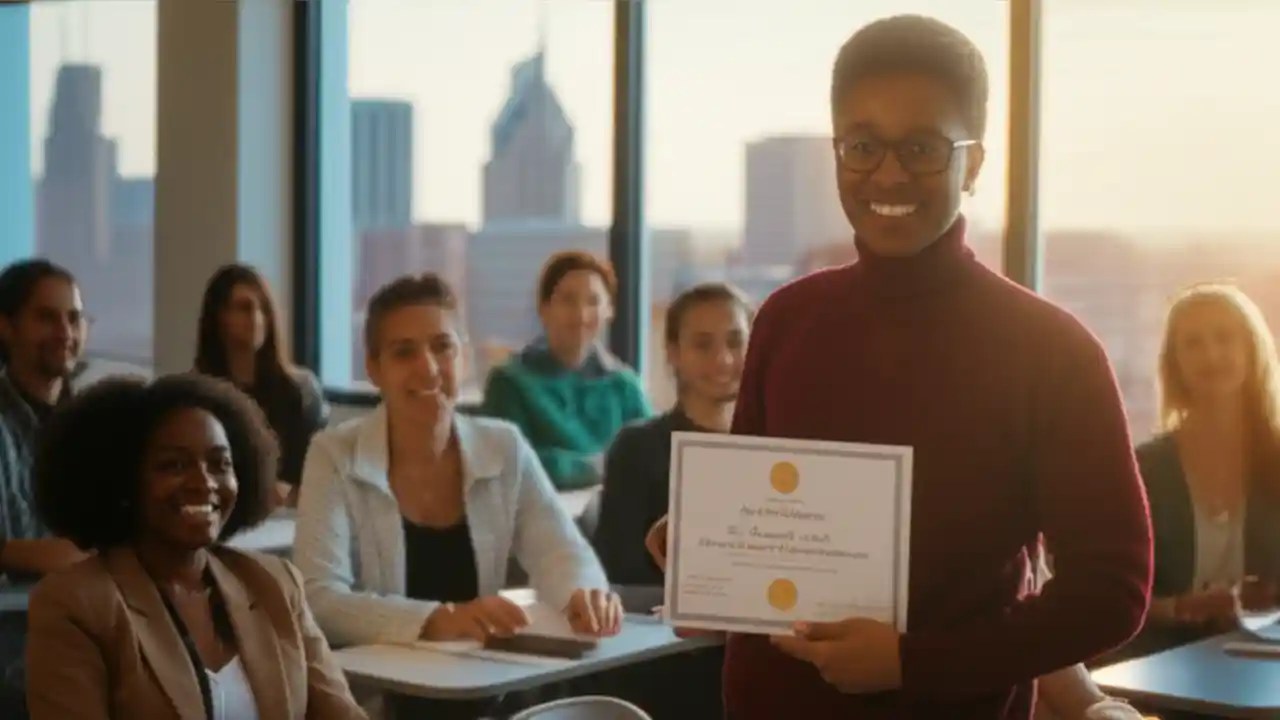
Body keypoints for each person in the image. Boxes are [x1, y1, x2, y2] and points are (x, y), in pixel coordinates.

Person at [646, 15, 1151, 718]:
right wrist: (709, 547)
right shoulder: (787, 320)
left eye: (921, 147)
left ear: (972, 162)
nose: (887, 173)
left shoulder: (1052, 352)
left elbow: (1113, 591)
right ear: (836, 153)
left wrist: (914, 664)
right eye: (862, 146)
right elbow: (769, 515)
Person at [294, 274, 621, 718]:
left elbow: (561, 552)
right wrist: (437, 619)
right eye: (404, 352)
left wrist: (584, 595)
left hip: (484, 698)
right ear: (374, 368)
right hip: (371, 706)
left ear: (463, 357)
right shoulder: (334, 454)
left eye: (442, 346)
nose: (428, 367)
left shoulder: (503, 446)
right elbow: (318, 598)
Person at [24, 374, 366, 719]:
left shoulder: (275, 584)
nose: (204, 483)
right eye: (174, 465)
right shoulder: (75, 605)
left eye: (220, 464)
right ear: (125, 481)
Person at [1130, 283, 1280, 657]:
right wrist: (1178, 609)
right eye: (1193, 344)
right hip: (1161, 664)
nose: (1210, 354)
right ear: (1174, 363)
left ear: (1251, 350)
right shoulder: (1143, 468)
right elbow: (1109, 591)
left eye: (1224, 338)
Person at [594, 282, 753, 586]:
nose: (723, 359)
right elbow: (620, 572)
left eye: (735, 341)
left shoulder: (776, 449)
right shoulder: (636, 449)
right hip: (664, 625)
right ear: (673, 353)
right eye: (703, 344)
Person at [0, 259, 92, 718]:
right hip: (15, 632)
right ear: (6, 327)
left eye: (73, 318)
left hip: (94, 618)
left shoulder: (98, 424)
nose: (64, 331)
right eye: (46, 317)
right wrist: (46, 555)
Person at [482, 251, 651, 491]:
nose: (581, 315)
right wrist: (600, 467)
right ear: (544, 308)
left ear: (610, 311)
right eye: (568, 300)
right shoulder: (509, 382)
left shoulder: (625, 386)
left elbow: (653, 458)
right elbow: (509, 463)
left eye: (593, 301)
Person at [195, 263, 328, 506]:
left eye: (263, 309)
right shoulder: (198, 396)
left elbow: (323, 473)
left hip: (287, 522)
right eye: (244, 308)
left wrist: (289, 492)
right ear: (219, 316)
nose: (256, 319)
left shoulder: (301, 391)